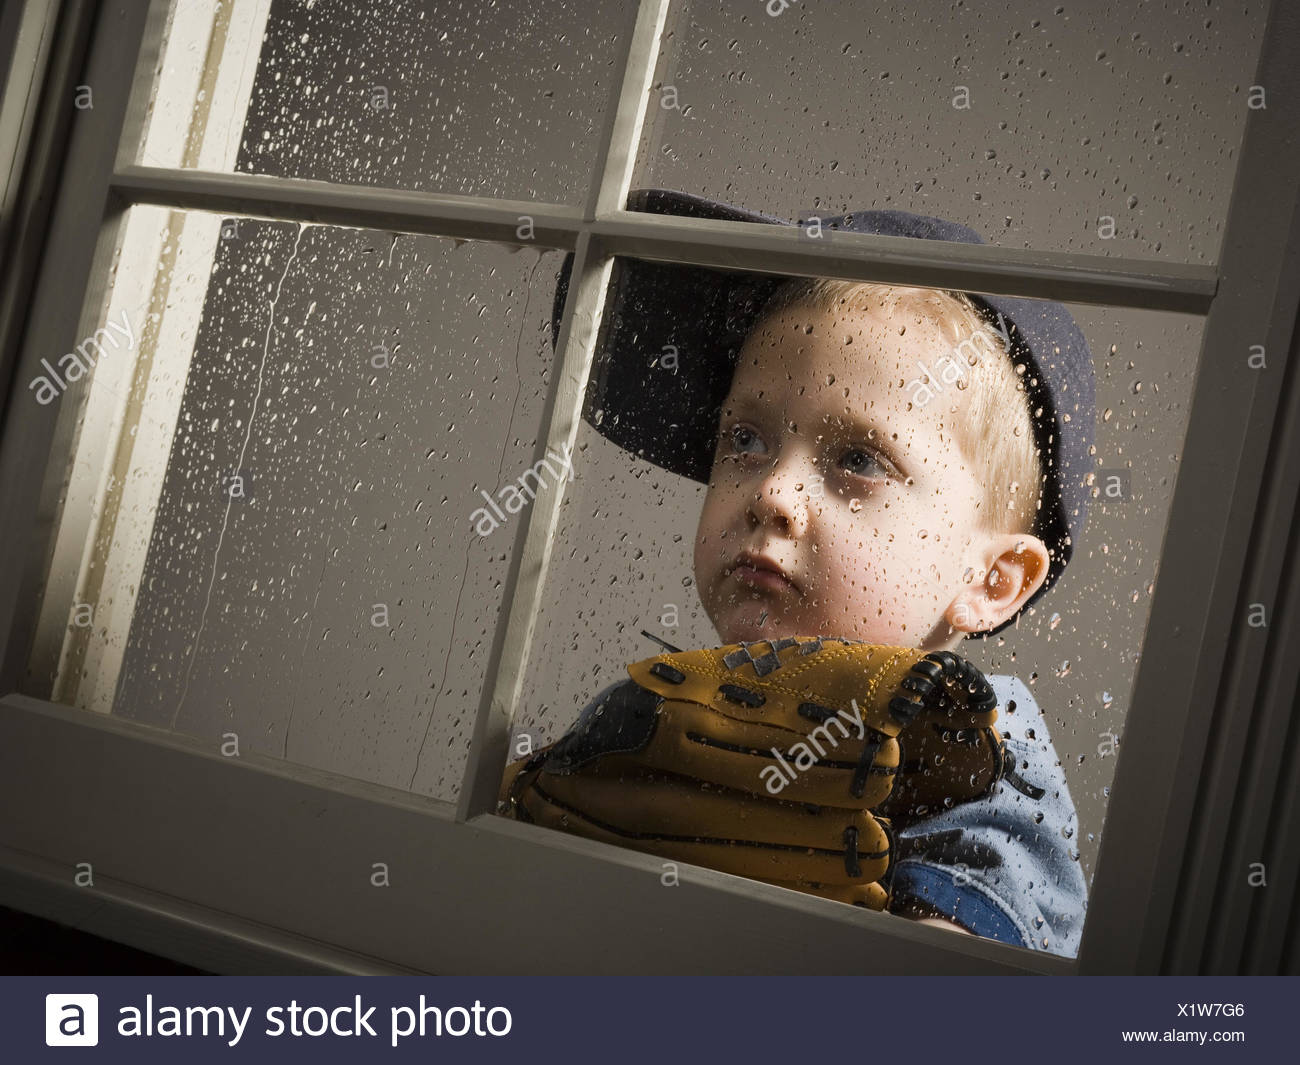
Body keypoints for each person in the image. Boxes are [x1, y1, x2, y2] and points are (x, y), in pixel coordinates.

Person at [500, 190, 1094, 957]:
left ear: (993, 579)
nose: (772, 492)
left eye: (857, 459)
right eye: (745, 439)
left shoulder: (968, 744)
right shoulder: (670, 709)